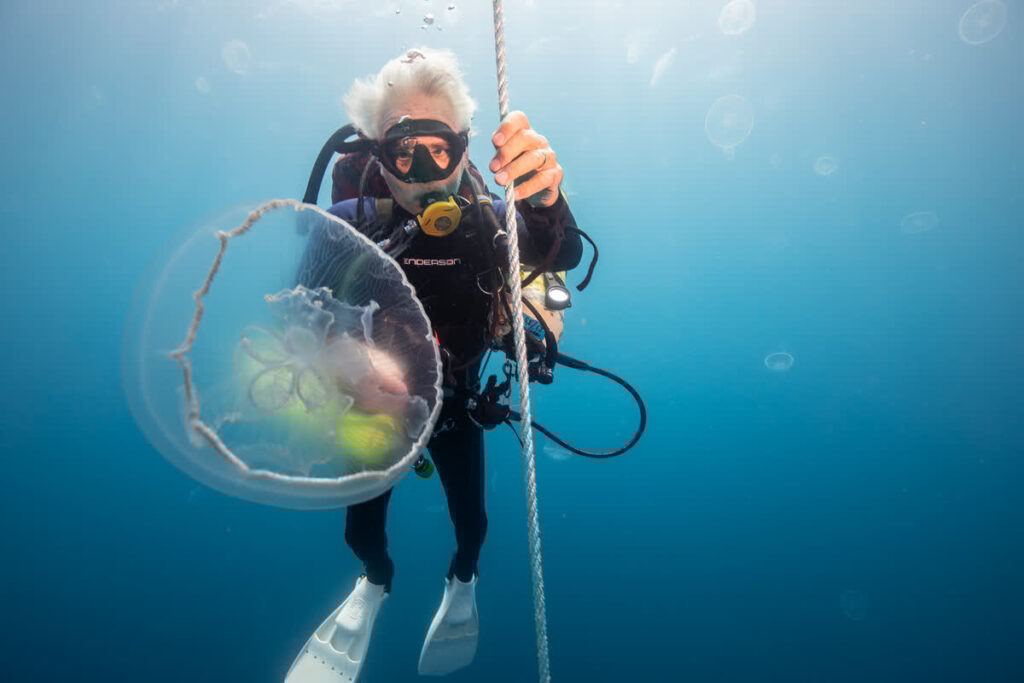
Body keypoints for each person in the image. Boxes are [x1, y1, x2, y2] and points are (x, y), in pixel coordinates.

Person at [285, 47, 583, 682]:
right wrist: (347, 354)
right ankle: (374, 582)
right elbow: (296, 314)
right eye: (402, 152)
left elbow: (564, 251)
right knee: (361, 529)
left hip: (457, 404)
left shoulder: (492, 223)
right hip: (372, 407)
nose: (423, 173)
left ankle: (463, 578)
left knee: (472, 522)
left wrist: (546, 198)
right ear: (374, 156)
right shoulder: (347, 228)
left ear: (465, 146)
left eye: (439, 149)